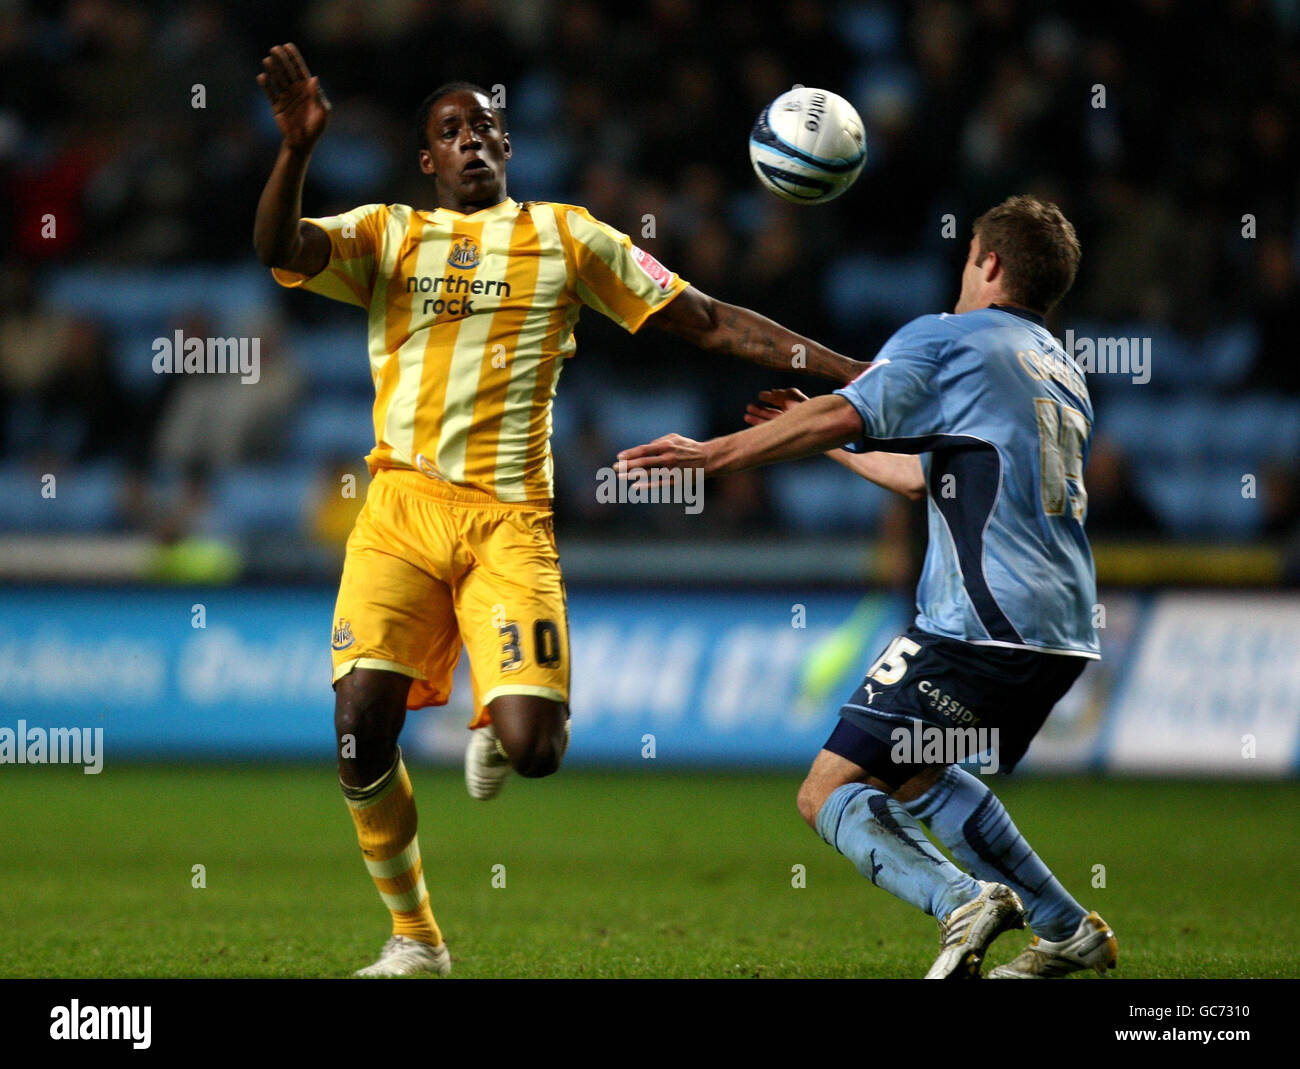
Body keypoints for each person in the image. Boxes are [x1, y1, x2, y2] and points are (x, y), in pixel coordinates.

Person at [252, 43, 869, 977]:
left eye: (486, 129)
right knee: (358, 727)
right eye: (450, 133)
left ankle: (495, 724)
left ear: (509, 146)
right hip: (400, 509)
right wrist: (295, 150)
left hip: (510, 522)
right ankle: (416, 938)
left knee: (533, 749)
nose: (472, 144)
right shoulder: (387, 234)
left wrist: (860, 375)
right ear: (427, 161)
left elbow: (711, 321)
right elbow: (277, 250)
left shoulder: (568, 238)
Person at [619, 195, 1118, 979]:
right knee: (916, 769)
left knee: (826, 793)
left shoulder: (950, 338)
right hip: (1058, 633)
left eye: (965, 259)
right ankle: (1065, 927)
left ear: (986, 261)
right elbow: (926, 476)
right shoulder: (1056, 369)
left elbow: (843, 410)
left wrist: (714, 455)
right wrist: (837, 448)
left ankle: (965, 899)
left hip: (978, 624)